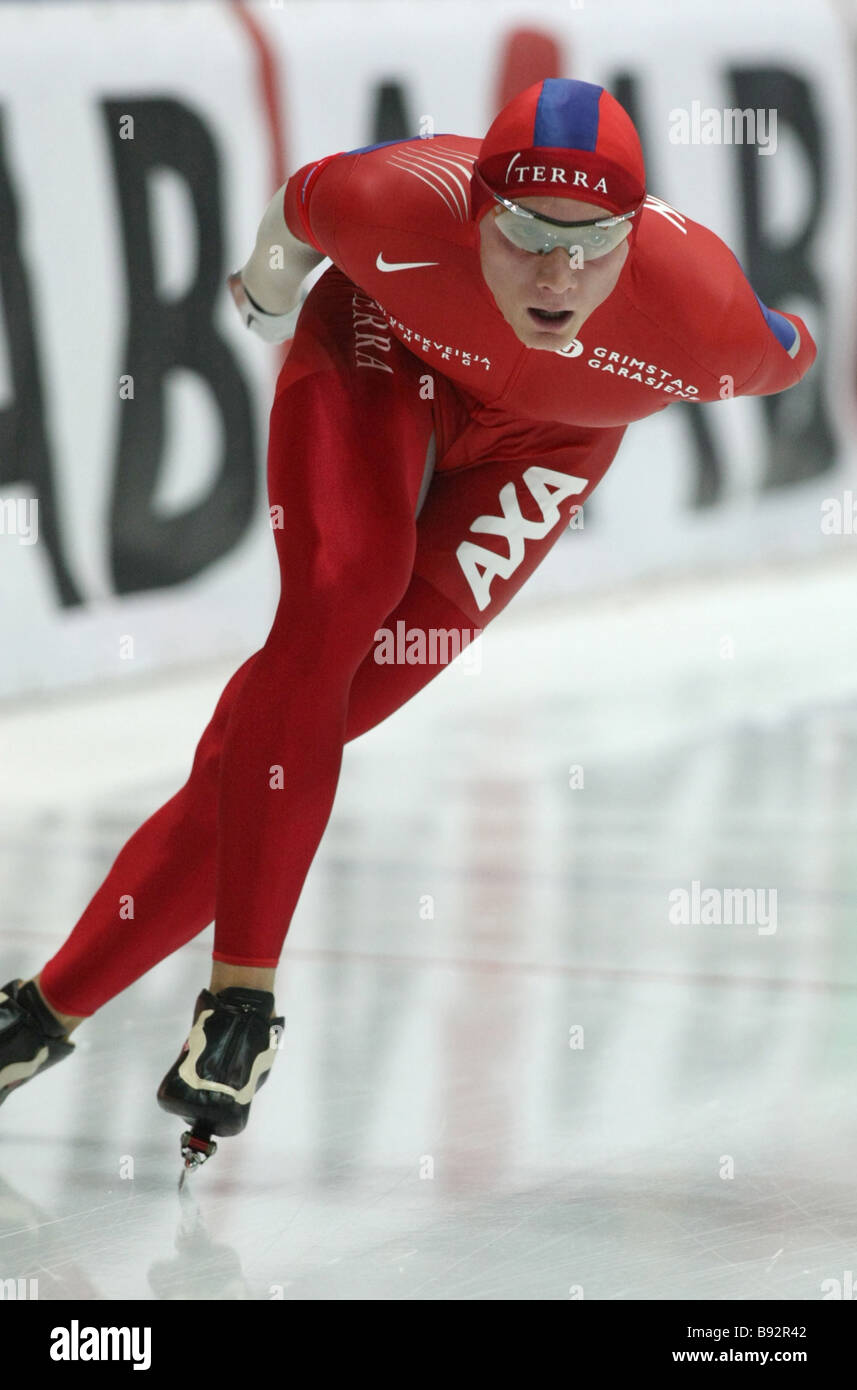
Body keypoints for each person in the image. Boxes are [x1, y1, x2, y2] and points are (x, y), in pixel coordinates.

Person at [0, 79, 816, 1165]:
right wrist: (269, 284)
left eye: (590, 242)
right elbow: (298, 208)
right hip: (384, 351)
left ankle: (39, 1016)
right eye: (525, 234)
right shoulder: (394, 201)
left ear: (632, 234)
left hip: (547, 452)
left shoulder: (710, 325)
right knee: (343, 587)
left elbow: (797, 342)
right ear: (475, 210)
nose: (557, 274)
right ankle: (240, 1007)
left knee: (308, 719)